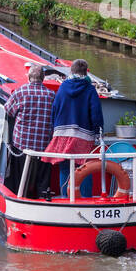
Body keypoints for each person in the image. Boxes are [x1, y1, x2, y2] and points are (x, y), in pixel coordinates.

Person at [43, 60, 105, 190]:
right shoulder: (90, 89)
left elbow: (54, 109)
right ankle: (86, 199)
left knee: (65, 168)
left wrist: (55, 130)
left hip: (62, 134)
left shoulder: (63, 87)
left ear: (71, 71)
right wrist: (99, 133)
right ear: (85, 71)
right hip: (83, 136)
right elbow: (96, 114)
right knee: (84, 169)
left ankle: (66, 198)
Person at [4, 65, 55, 198]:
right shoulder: (51, 95)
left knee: (21, 178)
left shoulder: (20, 92)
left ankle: (21, 197)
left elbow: (8, 110)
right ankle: (42, 198)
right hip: (44, 146)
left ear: (28, 77)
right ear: (43, 78)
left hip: (22, 145)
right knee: (43, 179)